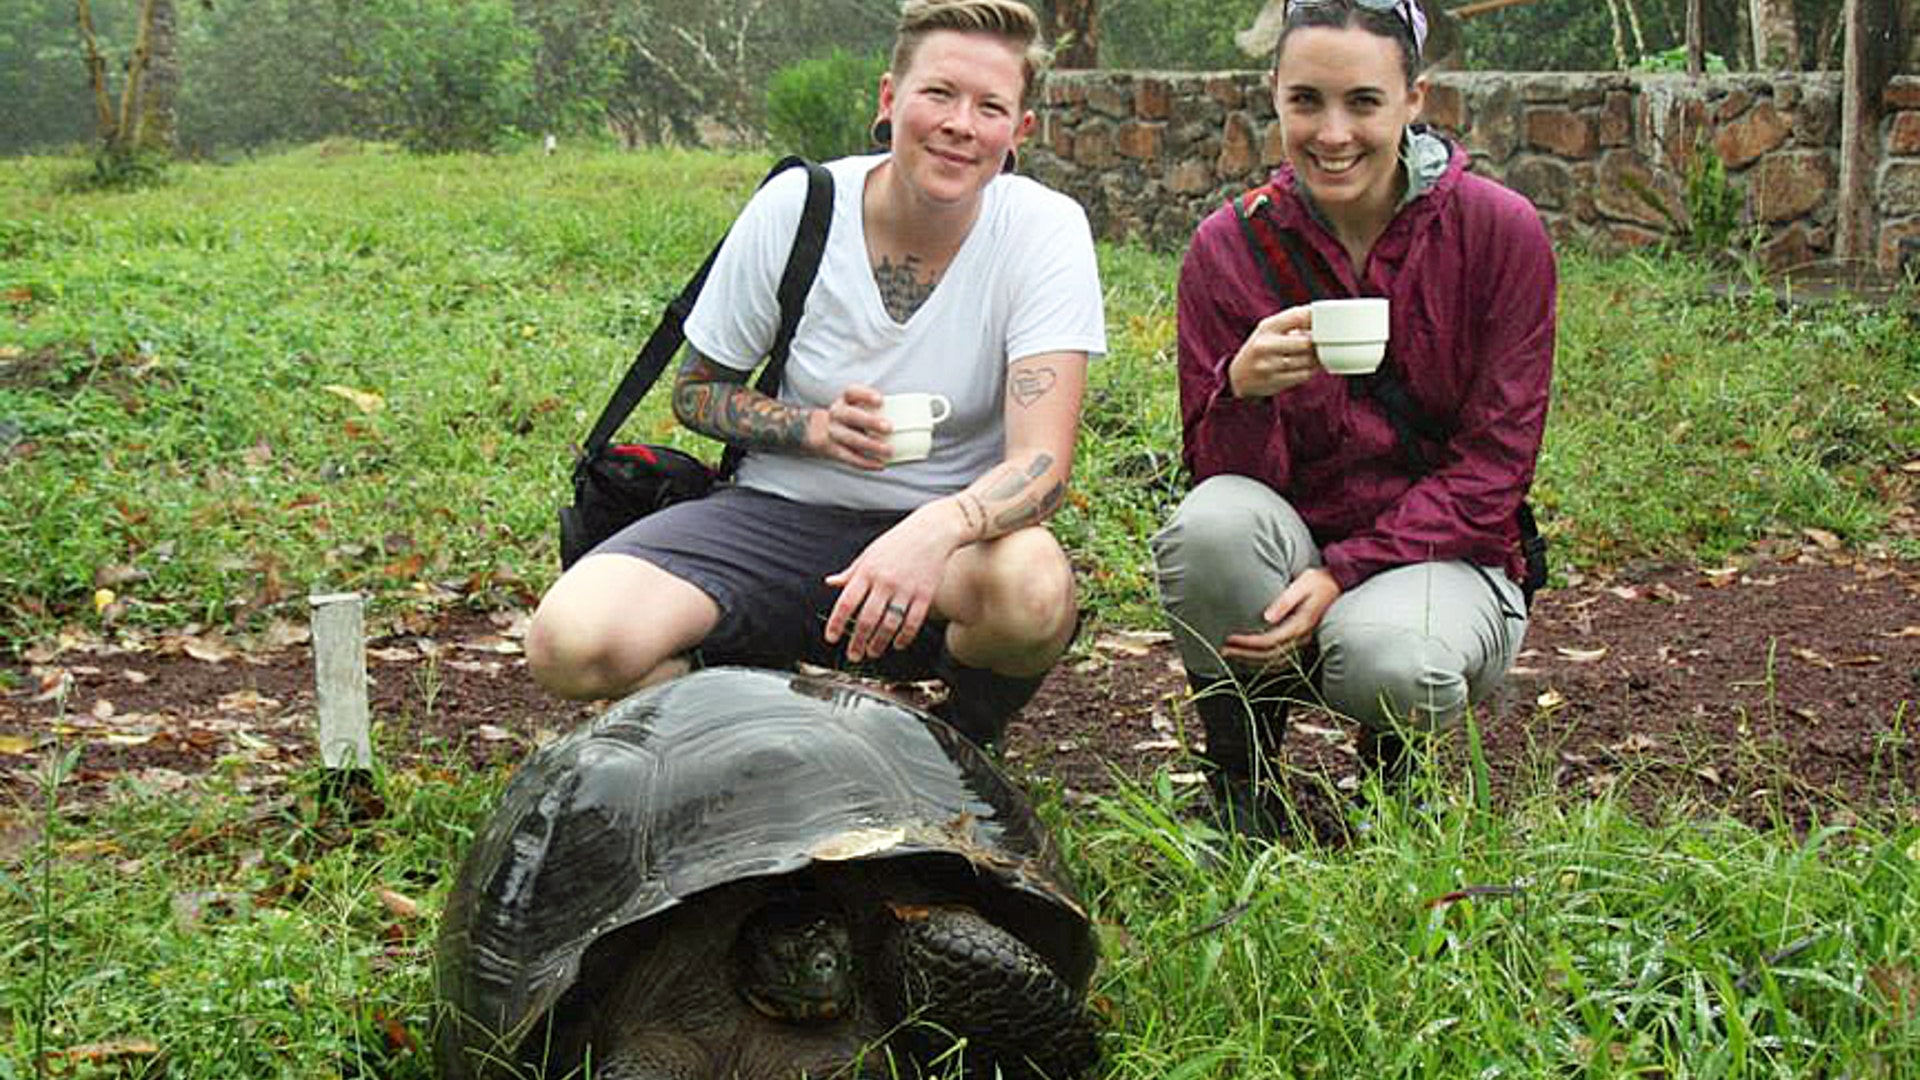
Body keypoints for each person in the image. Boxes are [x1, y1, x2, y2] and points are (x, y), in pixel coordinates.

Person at [527, 0, 1106, 749]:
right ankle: (730, 725)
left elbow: (1042, 464)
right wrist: (816, 429)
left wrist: (936, 527)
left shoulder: (1043, 230)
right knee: (571, 640)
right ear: (889, 99)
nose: (961, 124)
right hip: (774, 515)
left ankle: (957, 746)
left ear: (1020, 131)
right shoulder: (799, 207)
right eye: (939, 93)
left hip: (949, 551)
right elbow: (696, 392)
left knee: (1032, 588)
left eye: (990, 106)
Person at [1152, 0, 1555, 836]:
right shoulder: (1229, 248)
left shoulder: (1498, 234)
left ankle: (1390, 781)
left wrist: (1345, 571)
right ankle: (1241, 779)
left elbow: (1493, 472)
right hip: (1291, 543)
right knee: (1209, 529)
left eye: (1363, 103)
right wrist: (1244, 389)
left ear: (1415, 99)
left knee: (1389, 659)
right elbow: (1221, 475)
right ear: (1274, 96)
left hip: (1448, 557)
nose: (1332, 134)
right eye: (1306, 102)